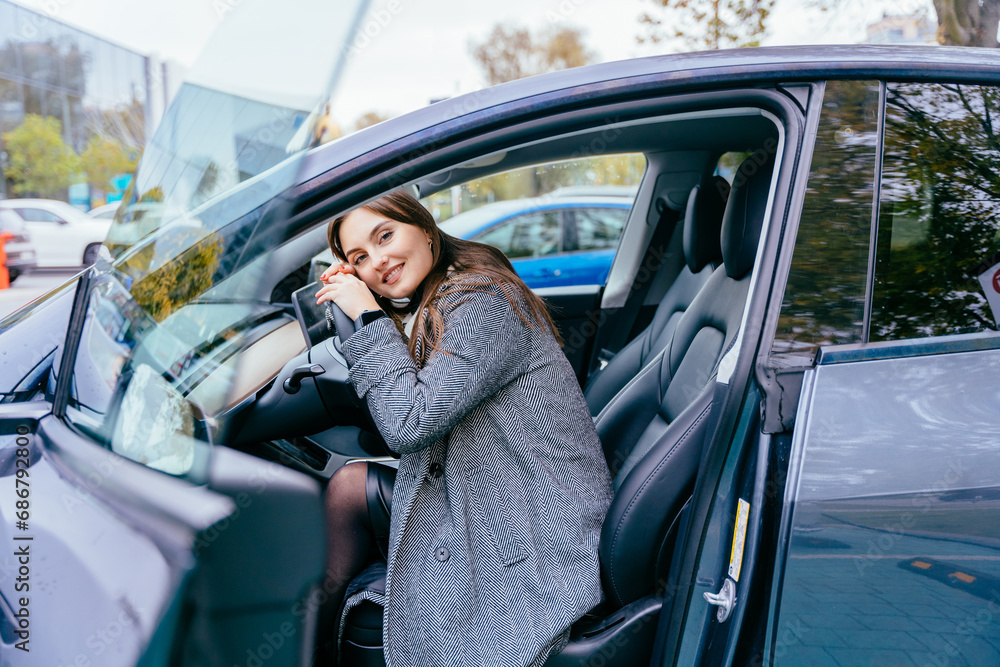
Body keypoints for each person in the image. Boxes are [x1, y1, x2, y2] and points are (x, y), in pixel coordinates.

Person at [314, 190, 613, 667]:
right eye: (360, 258)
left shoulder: (484, 301)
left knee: (350, 486)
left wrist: (367, 317)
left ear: (425, 228)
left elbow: (411, 423)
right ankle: (310, 647)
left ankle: (307, 652)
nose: (379, 260)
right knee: (351, 483)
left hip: (536, 526)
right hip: (498, 494)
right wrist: (369, 311)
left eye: (385, 235)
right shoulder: (442, 296)